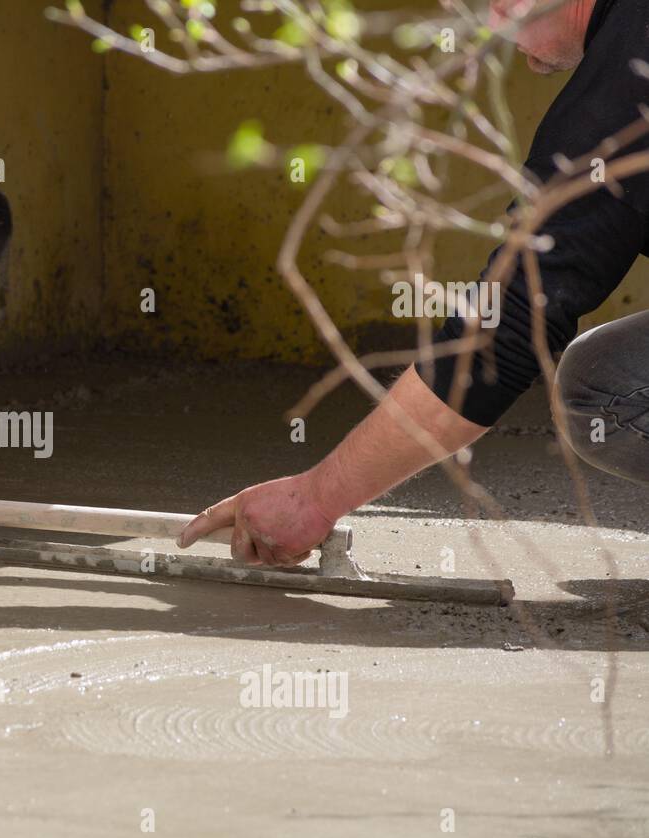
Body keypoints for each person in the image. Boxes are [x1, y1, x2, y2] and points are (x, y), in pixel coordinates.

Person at [178, 0, 649, 566]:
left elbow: (510, 325)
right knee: (602, 378)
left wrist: (316, 499)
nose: (491, 27)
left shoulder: (627, 74)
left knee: (600, 396)